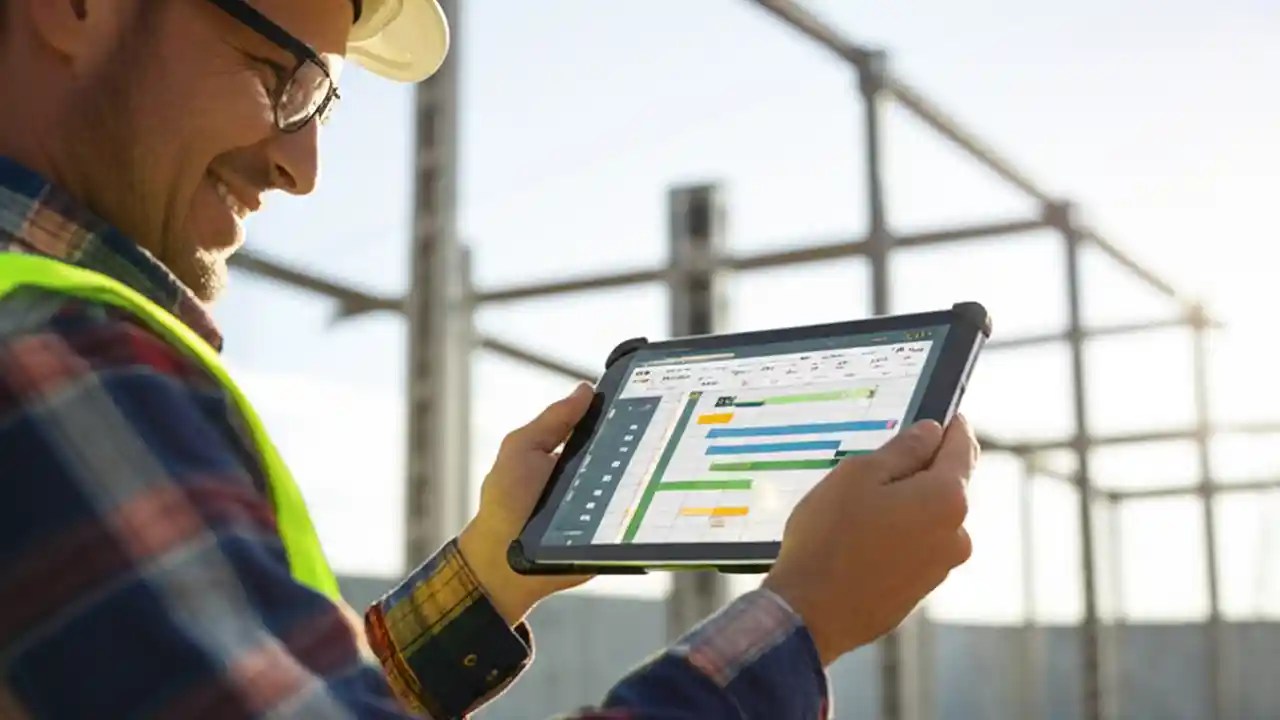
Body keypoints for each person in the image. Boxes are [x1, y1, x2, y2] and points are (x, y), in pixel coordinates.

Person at [0, 1, 980, 718]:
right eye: (280, 76)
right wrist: (801, 618)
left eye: (323, 109)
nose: (302, 168)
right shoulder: (54, 352)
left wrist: (491, 570)